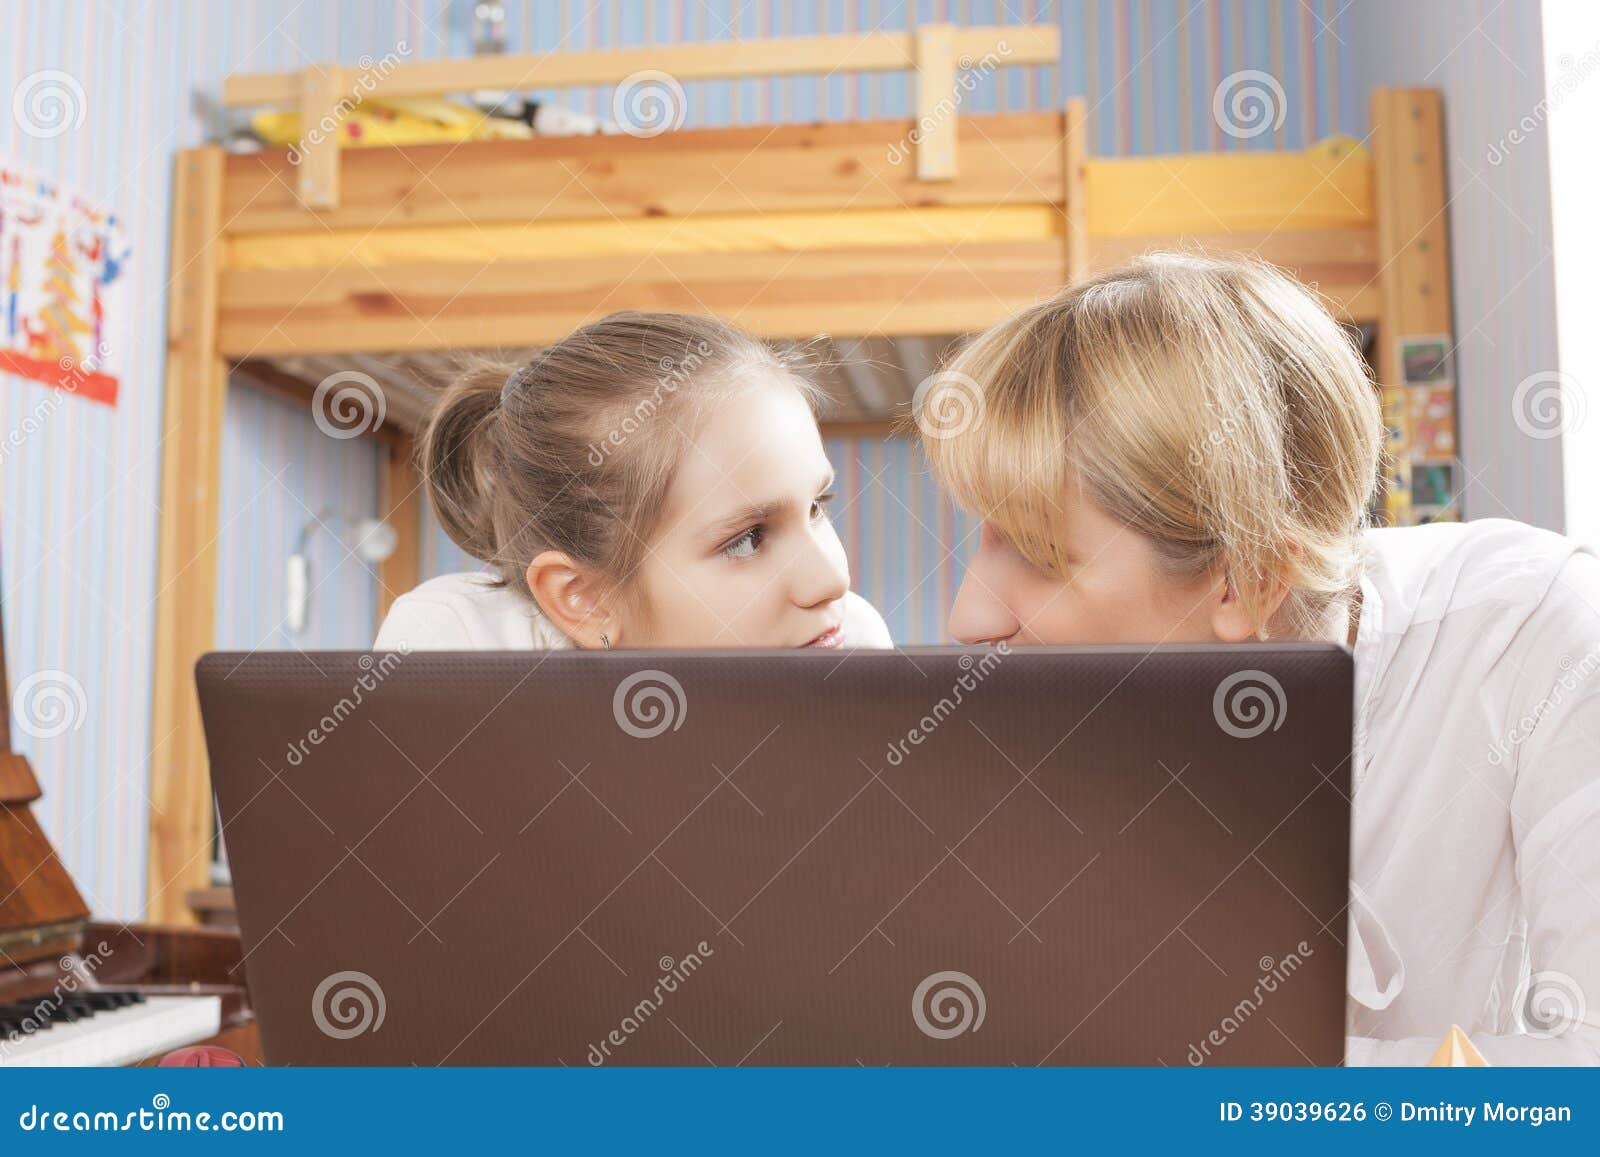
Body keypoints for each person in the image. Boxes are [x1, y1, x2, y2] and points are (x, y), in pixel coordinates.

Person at [920, 252, 1600, 1064]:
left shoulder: (1529, 629)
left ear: (1246, 580)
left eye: (1036, 552)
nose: (965, 617)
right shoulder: (1044, 725)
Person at [376, 312, 891, 652]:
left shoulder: (849, 640)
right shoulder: (456, 644)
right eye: (747, 539)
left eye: (817, 506)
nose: (832, 579)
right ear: (586, 599)